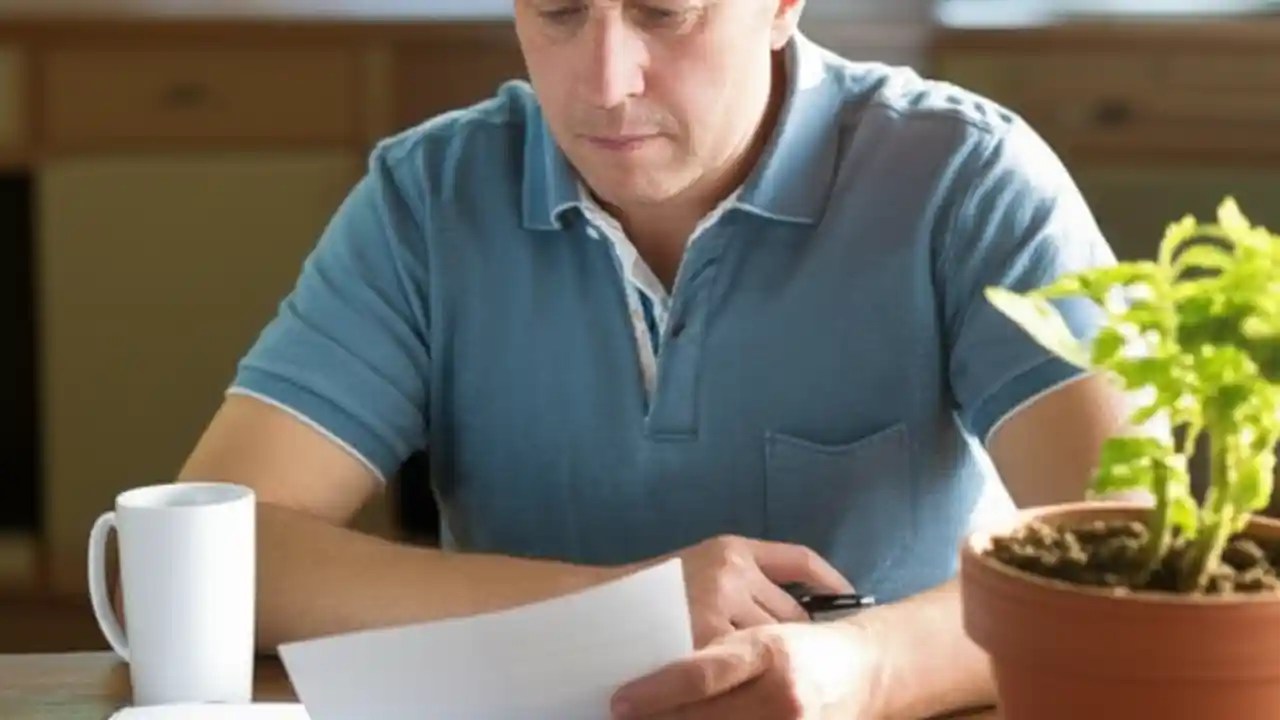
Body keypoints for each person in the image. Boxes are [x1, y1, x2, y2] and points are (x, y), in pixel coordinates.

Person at [176, 0, 1133, 717]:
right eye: (557, 10)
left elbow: (1134, 559)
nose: (604, 81)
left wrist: (866, 668)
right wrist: (628, 612)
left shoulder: (968, 181)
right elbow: (205, 561)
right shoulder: (428, 199)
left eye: (663, 12)